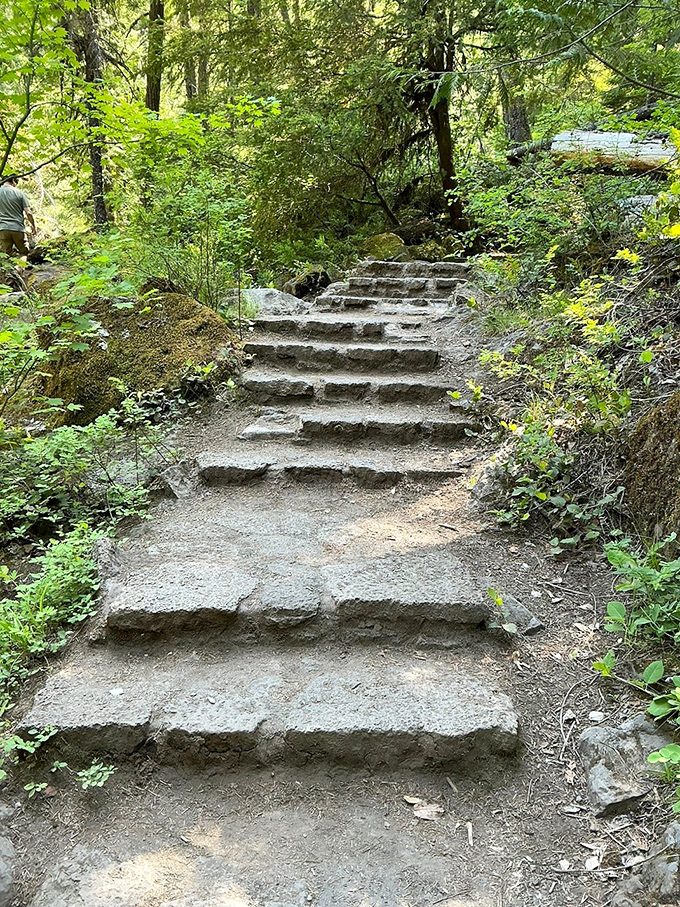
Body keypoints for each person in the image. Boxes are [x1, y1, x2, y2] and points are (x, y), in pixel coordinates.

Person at [0, 174, 36, 257]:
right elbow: (28, 213)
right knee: (24, 252)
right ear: (13, 180)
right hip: (18, 228)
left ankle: (8, 269)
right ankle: (19, 268)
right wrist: (33, 226)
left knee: (5, 255)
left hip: (3, 228)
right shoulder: (19, 193)